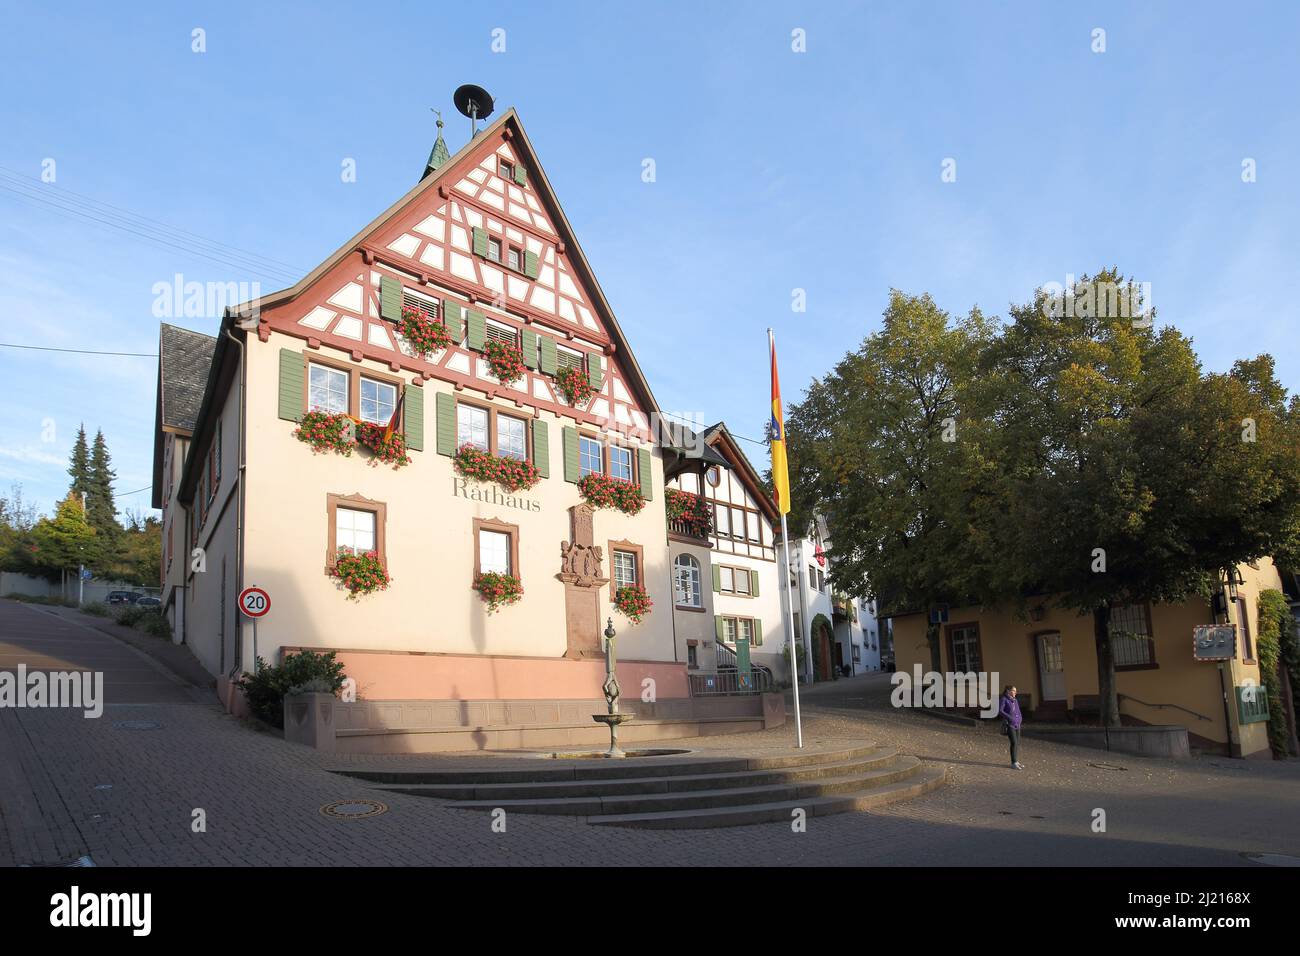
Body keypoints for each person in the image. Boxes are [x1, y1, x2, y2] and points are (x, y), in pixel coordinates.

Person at [999, 685, 1024, 770]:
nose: (1015, 692)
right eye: (1014, 690)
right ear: (1008, 691)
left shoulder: (1015, 700)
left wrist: (1020, 718)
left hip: (1018, 724)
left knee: (1017, 743)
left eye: (1015, 691)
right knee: (1013, 742)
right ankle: (1013, 762)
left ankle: (1016, 761)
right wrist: (1010, 718)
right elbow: (1001, 711)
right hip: (1009, 724)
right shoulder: (1004, 699)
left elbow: (1018, 711)